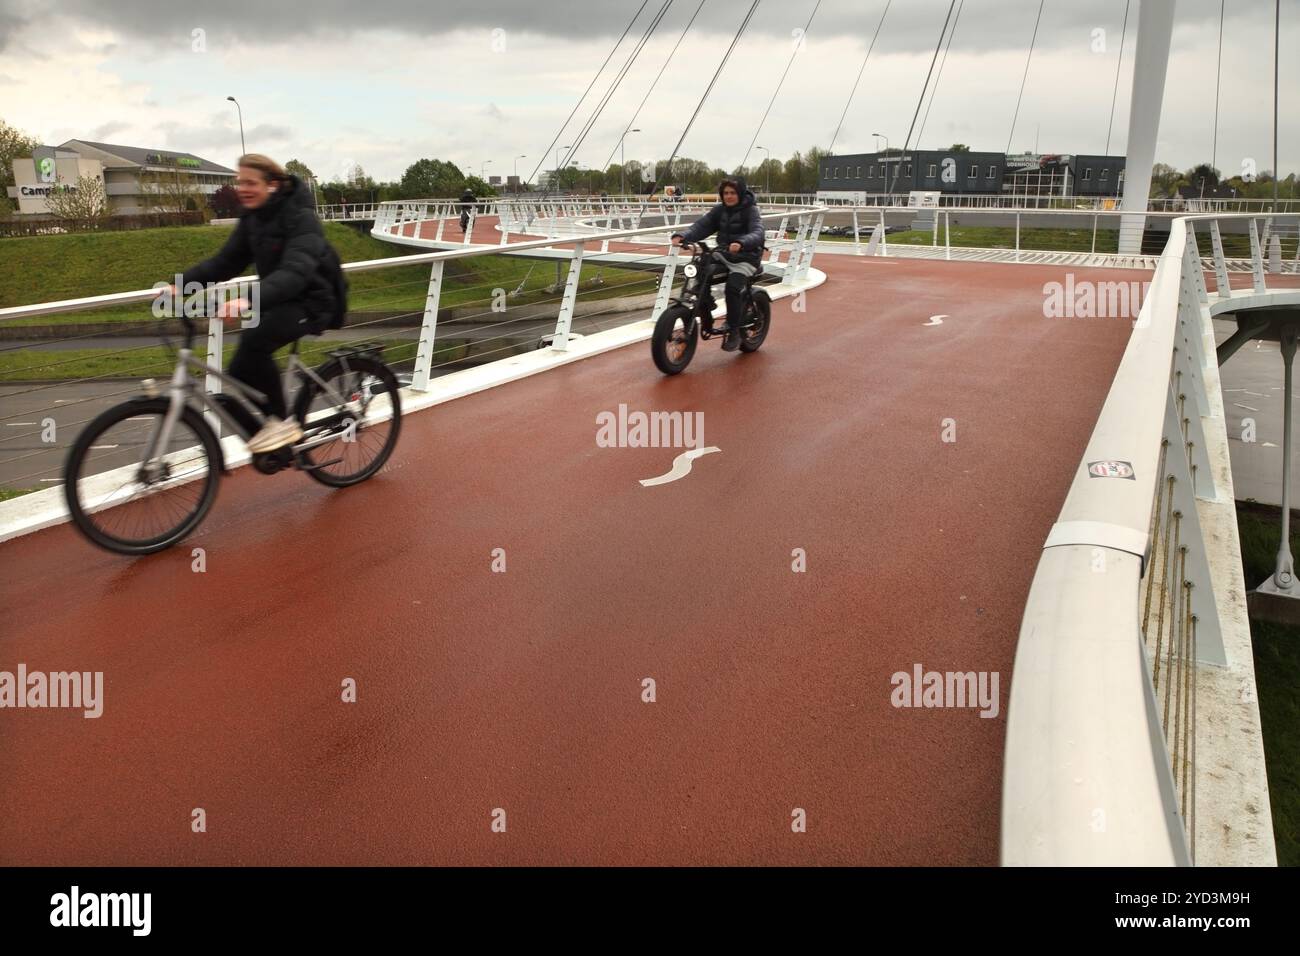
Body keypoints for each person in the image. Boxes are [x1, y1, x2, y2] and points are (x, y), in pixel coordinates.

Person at [169, 153, 344, 453]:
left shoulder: (300, 218)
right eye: (240, 183)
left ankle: (282, 424)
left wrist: (246, 300)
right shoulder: (253, 219)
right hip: (280, 298)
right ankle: (272, 430)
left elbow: (295, 272)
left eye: (251, 183)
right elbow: (226, 262)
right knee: (238, 369)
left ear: (272, 185)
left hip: (313, 300)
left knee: (255, 340)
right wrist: (179, 284)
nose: (243, 189)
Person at [670, 176, 764, 352]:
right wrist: (684, 236)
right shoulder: (720, 210)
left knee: (733, 288)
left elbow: (758, 232)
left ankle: (734, 331)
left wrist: (742, 242)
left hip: (747, 256)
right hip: (724, 253)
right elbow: (702, 226)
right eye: (725, 193)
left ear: (741, 193)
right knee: (700, 269)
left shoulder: (751, 211)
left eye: (733, 193)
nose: (728, 196)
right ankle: (706, 306)